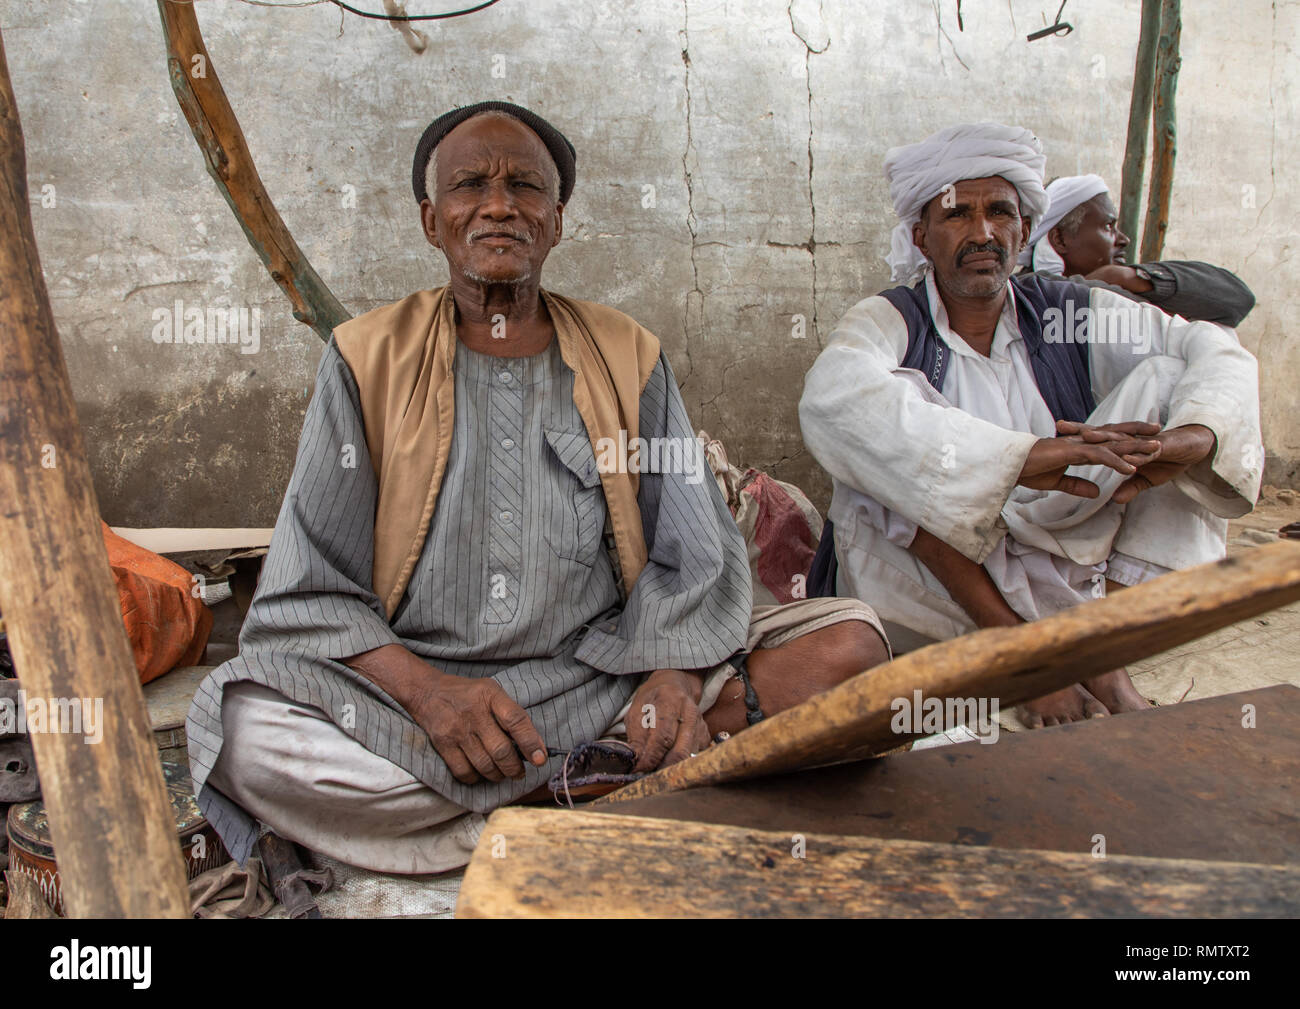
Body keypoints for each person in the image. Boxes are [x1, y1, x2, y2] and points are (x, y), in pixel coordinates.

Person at [188, 101, 888, 874]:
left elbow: (696, 550)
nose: (498, 205)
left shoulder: (628, 355)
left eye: (525, 186)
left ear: (556, 220)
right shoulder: (363, 359)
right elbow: (307, 585)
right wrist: (429, 695)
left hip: (598, 675)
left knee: (852, 645)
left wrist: (671, 673)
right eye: (470, 186)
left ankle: (543, 791)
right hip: (419, 697)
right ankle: (591, 786)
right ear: (431, 220)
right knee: (242, 725)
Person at [800, 123, 1261, 729]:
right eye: (957, 215)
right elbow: (831, 397)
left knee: (1181, 380)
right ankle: (1023, 659)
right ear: (922, 237)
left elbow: (1210, 341)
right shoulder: (892, 319)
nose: (982, 232)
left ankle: (1101, 659)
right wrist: (1018, 458)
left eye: (999, 212)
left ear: (1023, 230)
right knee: (877, 434)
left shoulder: (1067, 310)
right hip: (942, 584)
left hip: (1063, 547)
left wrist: (1197, 435)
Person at [1018, 174, 1255, 326]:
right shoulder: (1025, 295)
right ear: (1059, 239)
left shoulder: (1122, 284)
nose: (1124, 240)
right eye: (1109, 226)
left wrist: (1131, 277)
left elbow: (1238, 299)